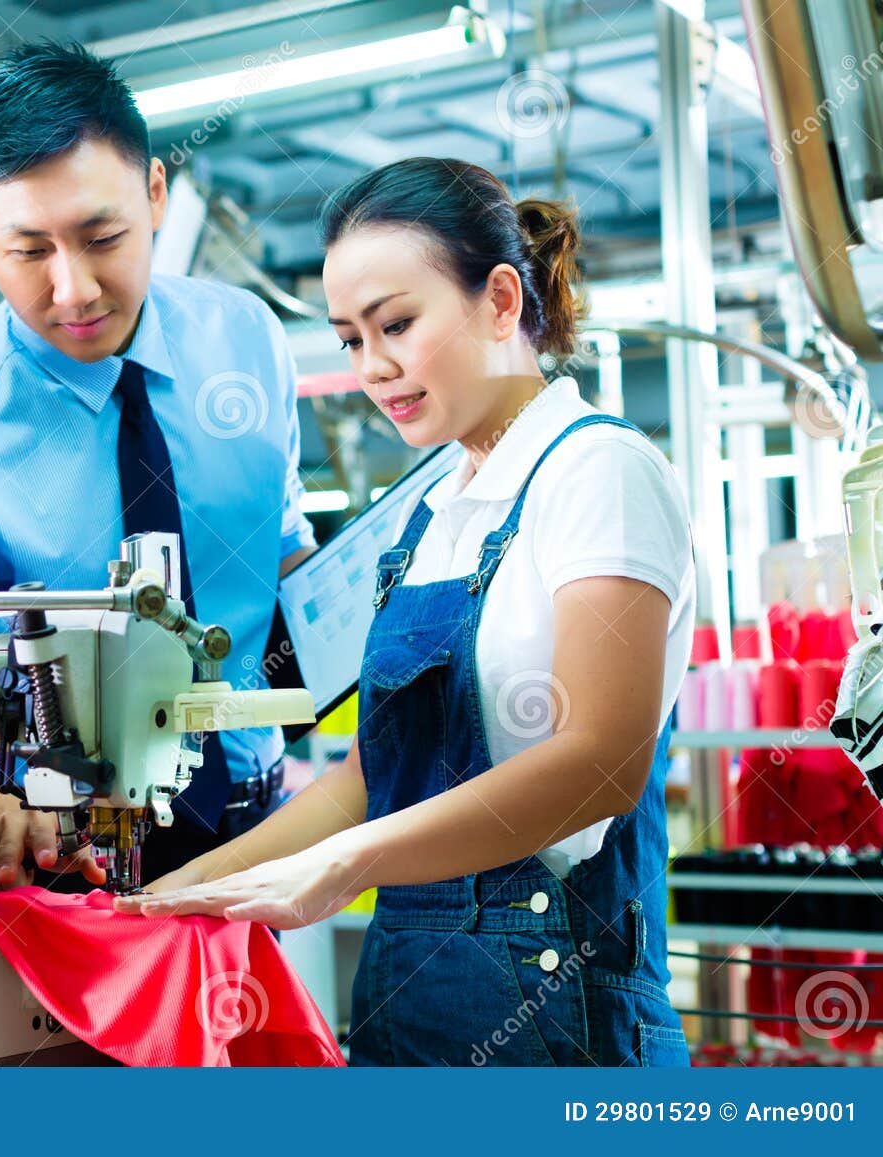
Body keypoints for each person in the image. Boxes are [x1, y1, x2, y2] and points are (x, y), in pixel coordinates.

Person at [116, 157, 697, 1068]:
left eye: (397, 324)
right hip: (407, 1008)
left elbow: (601, 766)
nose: (372, 367)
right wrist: (196, 882)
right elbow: (367, 778)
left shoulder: (599, 473)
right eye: (350, 338)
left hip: (560, 1019)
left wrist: (351, 864)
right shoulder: (431, 517)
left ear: (502, 300)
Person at [0, 42, 316, 889]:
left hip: (260, 823)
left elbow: (284, 555)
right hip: (65, 857)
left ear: (154, 194)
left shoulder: (246, 340)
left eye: (102, 236)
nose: (73, 290)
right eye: (28, 252)